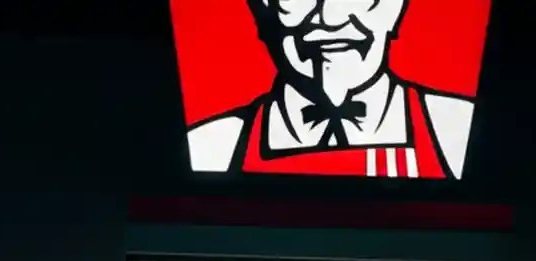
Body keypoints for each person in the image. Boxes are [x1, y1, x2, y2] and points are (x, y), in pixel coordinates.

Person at [186, 0, 476, 179]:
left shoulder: (453, 127)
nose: (331, 18)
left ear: (395, 7)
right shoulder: (214, 145)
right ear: (263, 8)